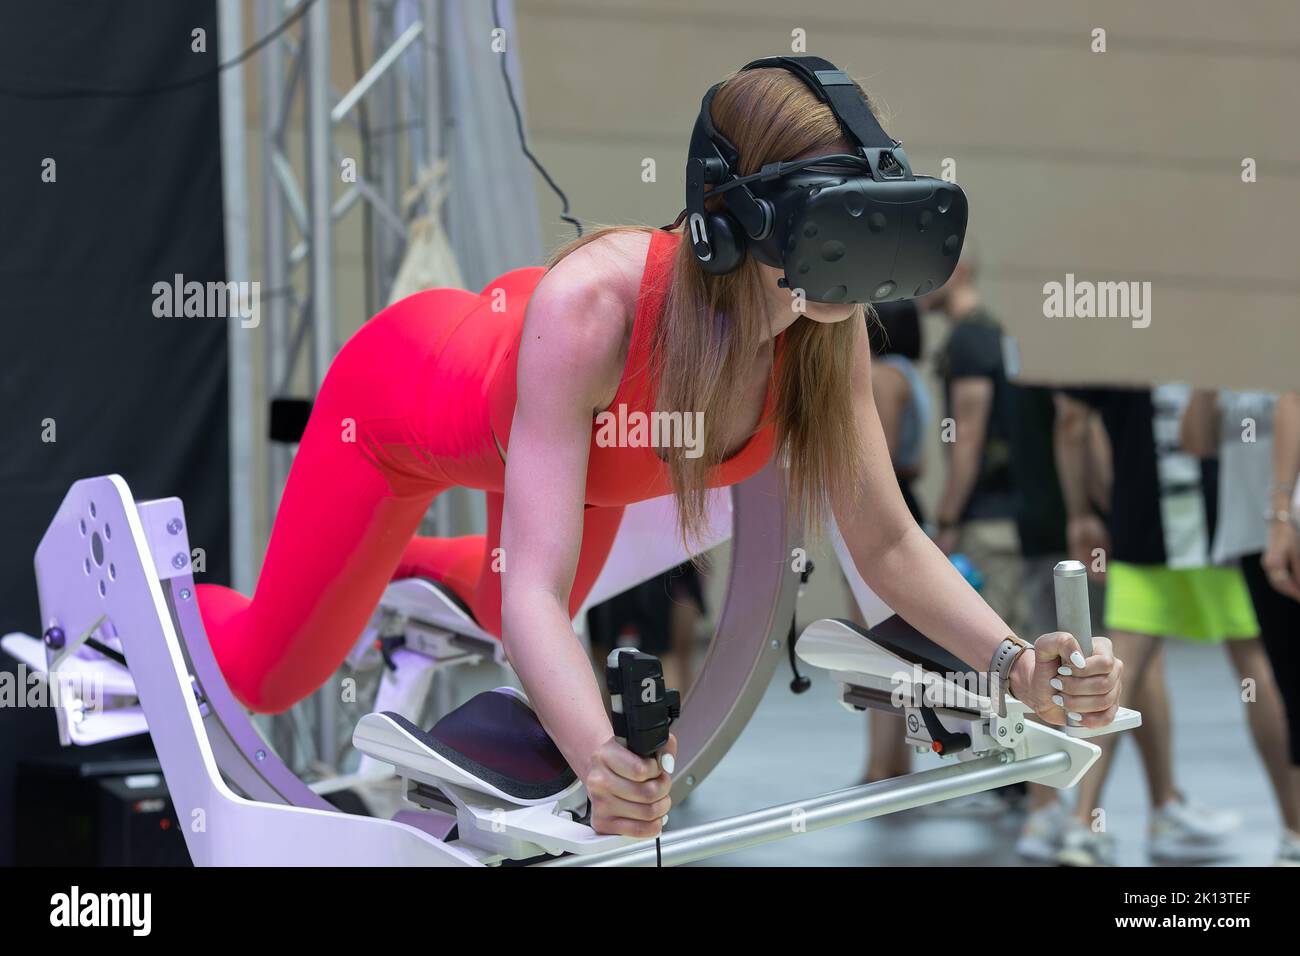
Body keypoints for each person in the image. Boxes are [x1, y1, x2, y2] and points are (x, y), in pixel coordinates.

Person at [195, 58, 1122, 839]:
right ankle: (149, 611)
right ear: (736, 218)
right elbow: (537, 596)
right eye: (828, 226)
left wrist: (1013, 663)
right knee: (271, 676)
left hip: (574, 473)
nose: (853, 259)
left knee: (497, 601)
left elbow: (884, 541)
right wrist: (602, 762)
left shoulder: (820, 317)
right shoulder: (595, 308)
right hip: (397, 408)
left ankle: (413, 580)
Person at [1055, 384, 1287, 865]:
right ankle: (1294, 830)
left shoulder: (1124, 321)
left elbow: (1075, 422)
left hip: (1143, 519)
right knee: (1257, 670)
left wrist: (1087, 508)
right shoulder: (1212, 324)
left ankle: (1081, 825)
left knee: (1114, 668)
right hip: (1215, 519)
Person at [1182, 389, 1300, 864]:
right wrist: (1207, 371)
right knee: (1291, 683)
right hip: (1255, 532)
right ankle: (1294, 831)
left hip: (1283, 526)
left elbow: (1294, 396)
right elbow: (1196, 441)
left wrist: (1280, 516)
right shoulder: (1231, 356)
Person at [925, 250, 1025, 638]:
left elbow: (968, 435)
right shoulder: (991, 331)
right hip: (1002, 516)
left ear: (961, 271)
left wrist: (947, 520)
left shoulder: (969, 337)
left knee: (996, 656)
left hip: (988, 522)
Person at [855, 300, 929, 783]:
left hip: (882, 516)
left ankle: (882, 766)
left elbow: (872, 456)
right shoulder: (912, 378)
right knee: (900, 648)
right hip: (909, 505)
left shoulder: (883, 377)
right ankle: (897, 763)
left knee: (878, 649)